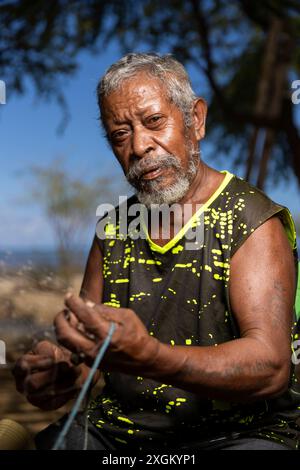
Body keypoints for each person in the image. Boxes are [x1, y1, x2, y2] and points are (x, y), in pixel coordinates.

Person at [13, 53, 300, 450]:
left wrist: (152, 357)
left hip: (237, 434)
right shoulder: (112, 229)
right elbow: (86, 359)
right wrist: (59, 374)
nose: (140, 146)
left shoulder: (250, 220)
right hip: (117, 431)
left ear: (195, 120)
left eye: (153, 122)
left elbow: (270, 367)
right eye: (120, 134)